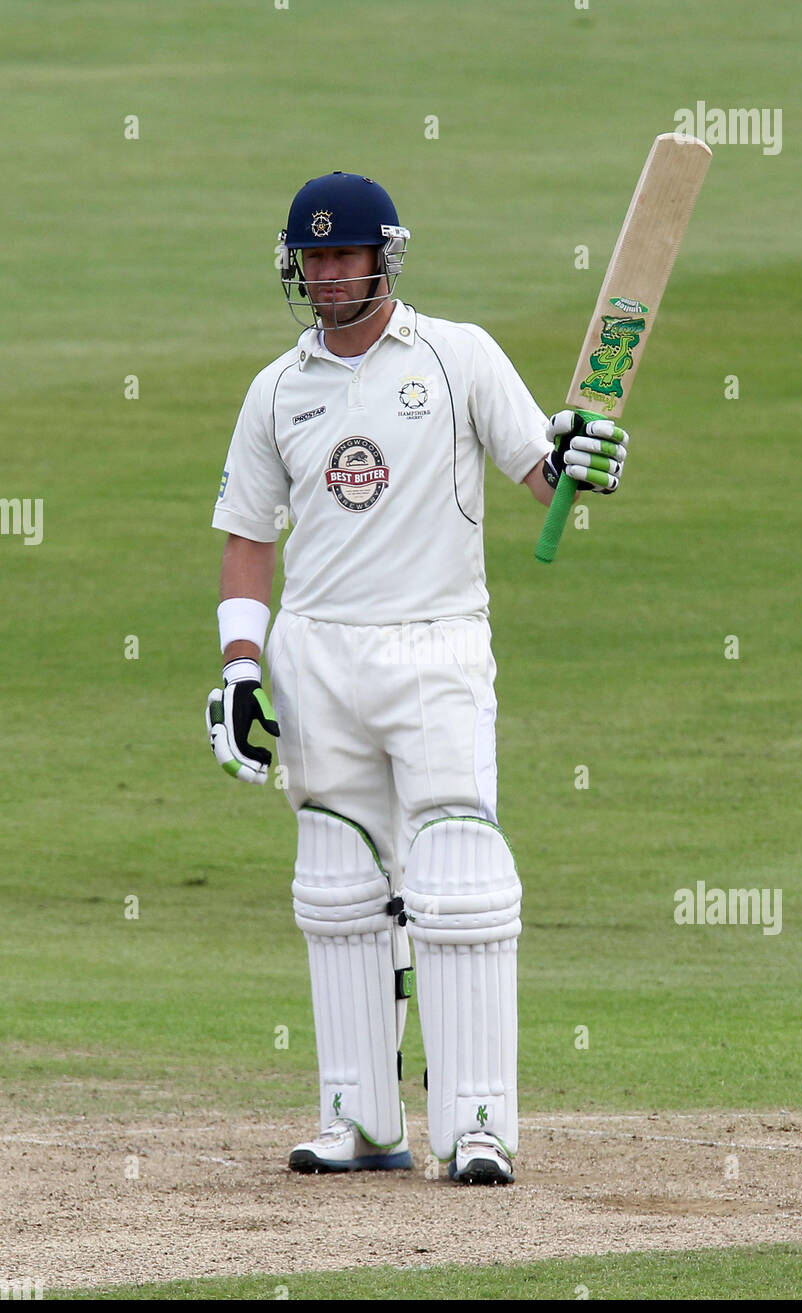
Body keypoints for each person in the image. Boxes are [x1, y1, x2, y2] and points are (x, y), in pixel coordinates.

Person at [206, 172, 628, 1184]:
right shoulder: (277, 388)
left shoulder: (458, 355)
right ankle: (357, 1118)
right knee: (339, 882)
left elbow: (543, 474)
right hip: (318, 651)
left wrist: (587, 456)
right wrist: (238, 669)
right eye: (311, 259)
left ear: (383, 258)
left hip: (436, 643)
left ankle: (475, 1124)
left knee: (457, 876)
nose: (326, 275)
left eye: (343, 256)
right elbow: (246, 537)